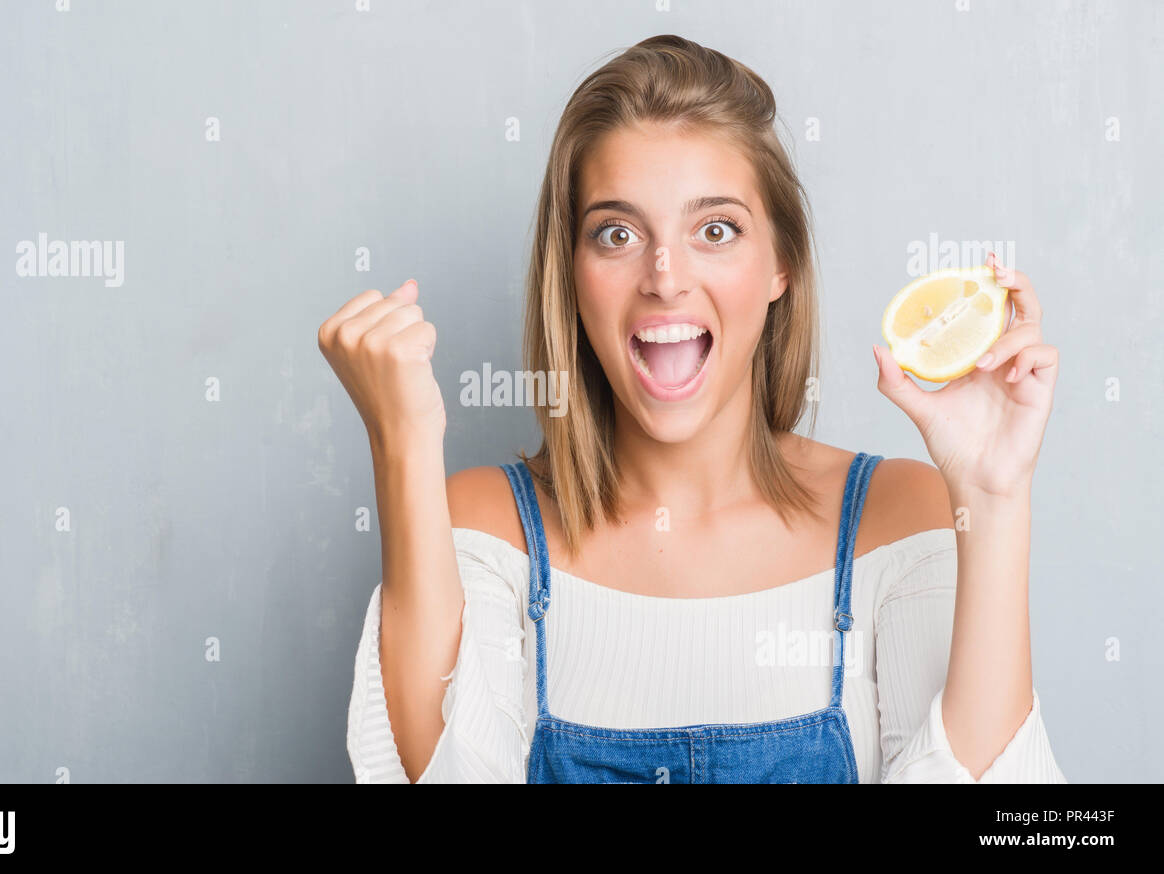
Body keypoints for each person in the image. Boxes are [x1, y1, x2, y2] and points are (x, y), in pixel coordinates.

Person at [320, 34, 1064, 783]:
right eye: (617, 233)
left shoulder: (897, 519)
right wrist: (402, 441)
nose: (665, 278)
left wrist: (993, 501)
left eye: (715, 229)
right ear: (571, 275)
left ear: (782, 266)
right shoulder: (485, 528)